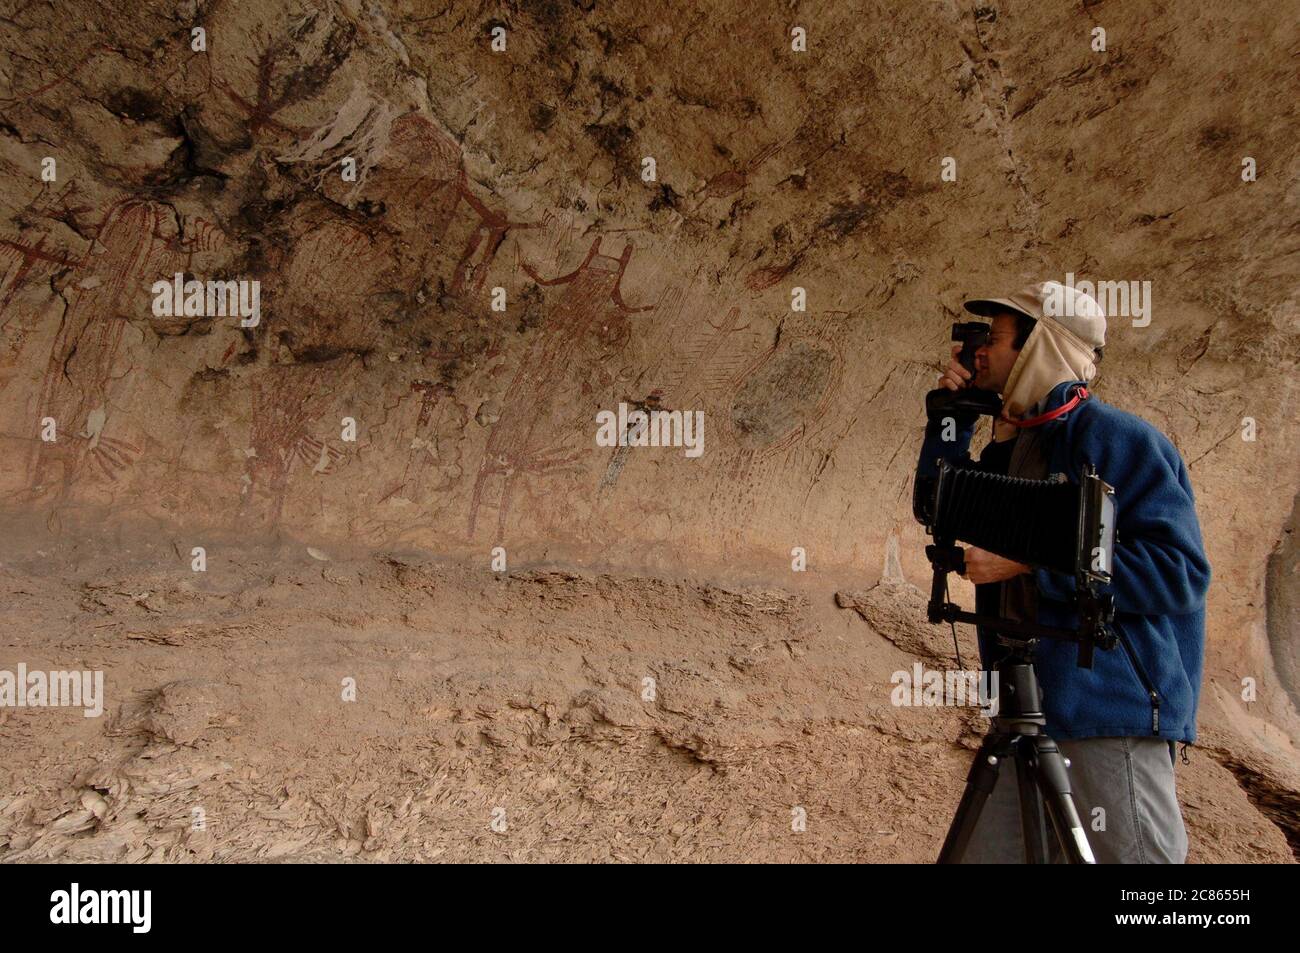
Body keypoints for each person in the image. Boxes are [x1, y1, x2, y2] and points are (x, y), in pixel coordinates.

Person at [916, 280, 1211, 863]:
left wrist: (1032, 565)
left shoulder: (1121, 440)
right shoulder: (1016, 451)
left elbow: (1179, 573)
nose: (978, 352)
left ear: (1039, 347)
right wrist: (949, 419)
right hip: (1027, 709)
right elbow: (937, 508)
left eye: (993, 340)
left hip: (1109, 712)